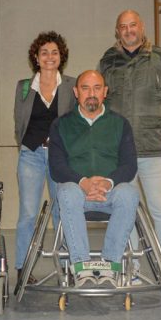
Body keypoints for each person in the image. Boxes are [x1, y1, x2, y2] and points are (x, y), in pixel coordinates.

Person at [98, 9, 161, 267]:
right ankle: (131, 270)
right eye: (123, 27)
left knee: (160, 212)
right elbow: (99, 103)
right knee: (126, 214)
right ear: (117, 31)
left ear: (142, 27)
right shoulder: (107, 61)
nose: (128, 31)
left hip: (153, 153)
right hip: (120, 156)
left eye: (132, 25)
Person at [48, 70, 141, 288]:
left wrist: (107, 182)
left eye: (97, 88)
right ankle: (81, 267)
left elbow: (130, 165)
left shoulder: (120, 124)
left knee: (129, 193)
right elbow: (56, 167)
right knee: (67, 191)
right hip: (76, 193)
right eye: (85, 88)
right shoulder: (61, 125)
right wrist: (83, 182)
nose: (92, 93)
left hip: (111, 193)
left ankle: (110, 265)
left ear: (105, 92)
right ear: (76, 92)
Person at [13, 31, 74, 275]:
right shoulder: (24, 87)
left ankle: (66, 268)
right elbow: (19, 122)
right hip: (31, 155)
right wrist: (30, 145)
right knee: (28, 213)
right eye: (44, 52)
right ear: (36, 57)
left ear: (61, 57)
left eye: (55, 52)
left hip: (61, 157)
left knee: (62, 211)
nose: (50, 57)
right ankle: (22, 269)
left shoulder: (72, 85)